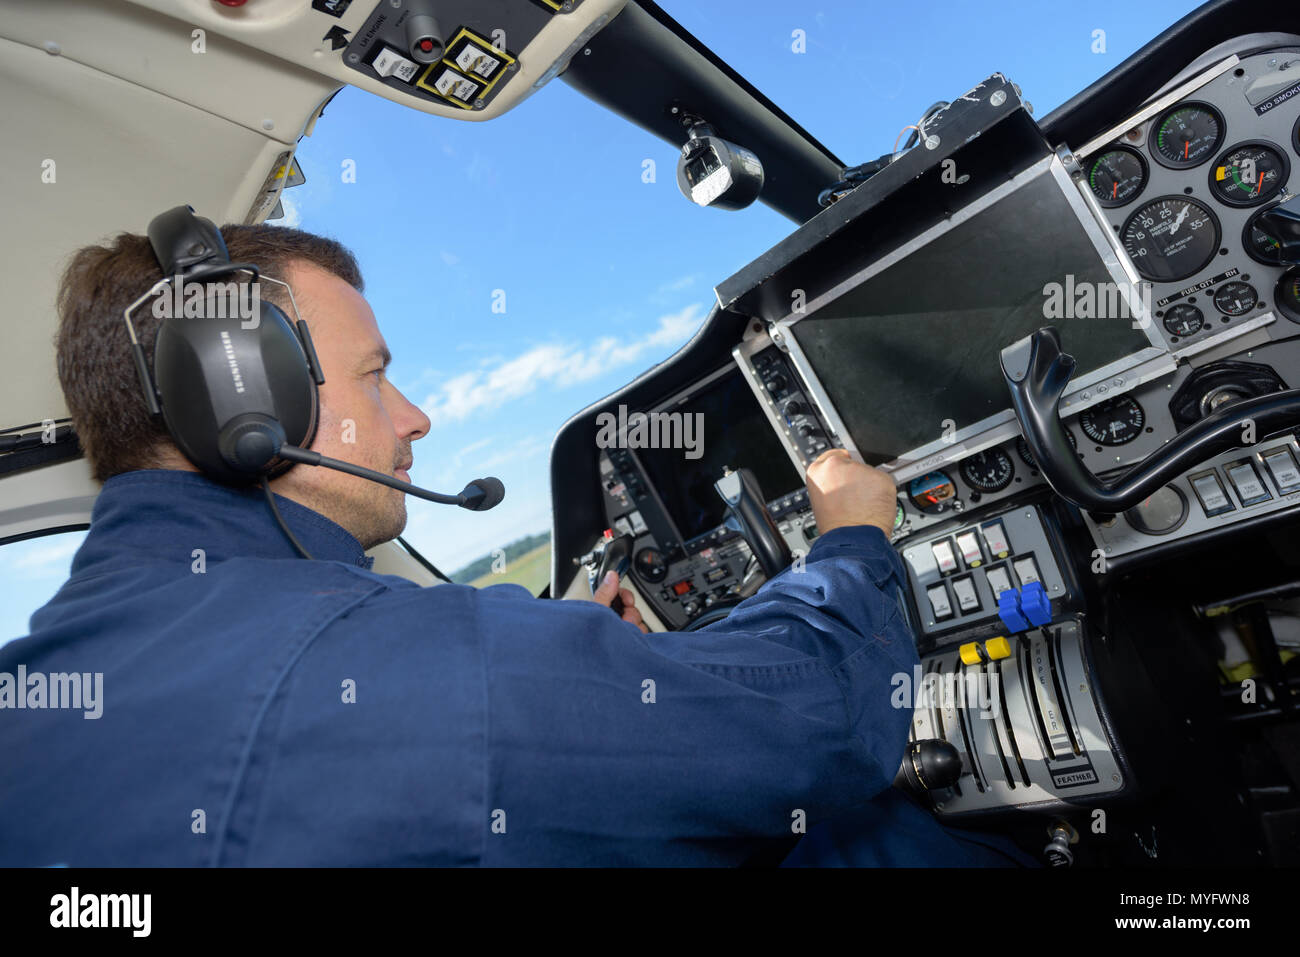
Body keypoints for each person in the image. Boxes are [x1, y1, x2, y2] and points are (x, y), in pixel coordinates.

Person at [0, 223, 1025, 866]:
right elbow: (821, 723)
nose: (415, 419)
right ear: (242, 400)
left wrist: (560, 665)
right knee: (869, 835)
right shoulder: (408, 669)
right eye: (375, 377)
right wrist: (850, 539)